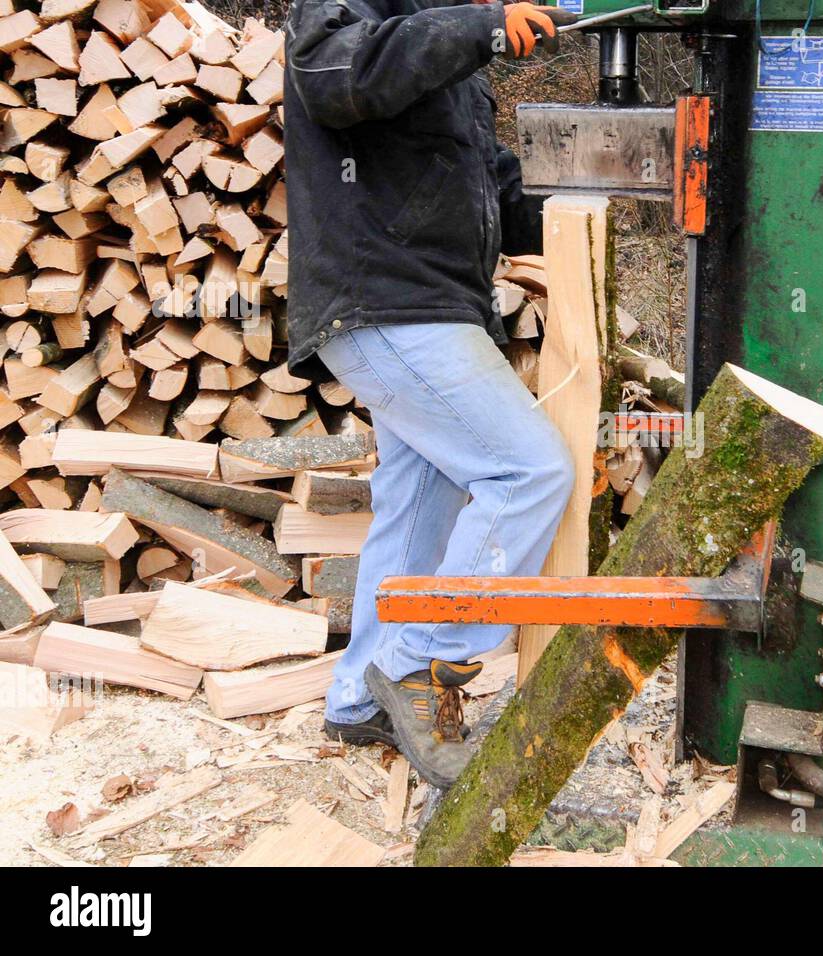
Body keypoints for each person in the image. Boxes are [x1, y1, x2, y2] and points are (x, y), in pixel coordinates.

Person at [285, 0, 578, 786]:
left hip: (428, 304)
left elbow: (500, 197)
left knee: (422, 502)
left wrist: (592, 211)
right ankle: (419, 664)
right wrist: (480, 25)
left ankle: (358, 697)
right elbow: (336, 79)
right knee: (528, 471)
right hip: (385, 299)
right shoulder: (361, 15)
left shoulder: (449, 56)